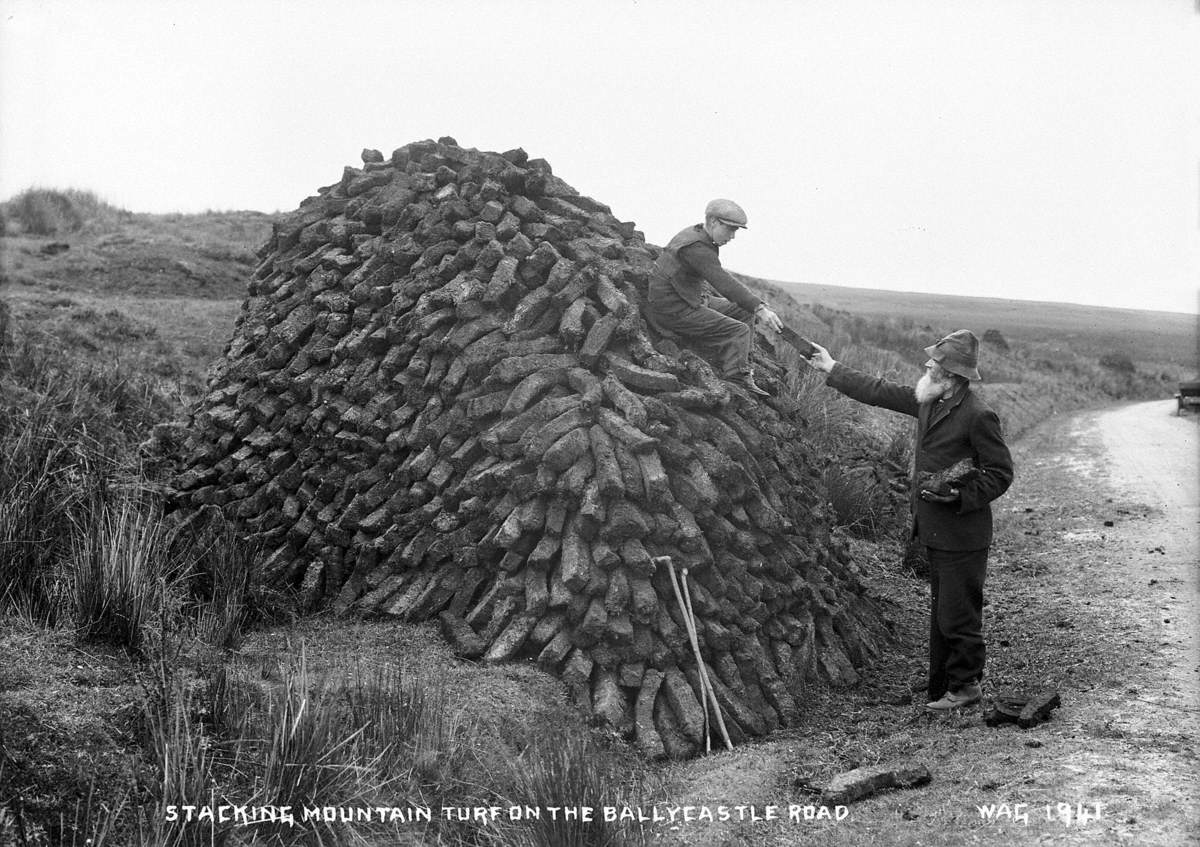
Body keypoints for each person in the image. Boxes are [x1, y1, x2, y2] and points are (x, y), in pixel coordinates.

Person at [804, 330, 1014, 711]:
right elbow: (880, 390)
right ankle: (942, 682)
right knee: (941, 611)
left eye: (935, 362)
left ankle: (966, 686)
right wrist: (831, 367)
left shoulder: (978, 415)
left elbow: (1000, 473)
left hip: (963, 532)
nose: (927, 364)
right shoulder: (930, 401)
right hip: (936, 529)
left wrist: (960, 496)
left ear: (951, 375)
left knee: (958, 612)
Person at [646, 199, 784, 395]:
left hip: (685, 298)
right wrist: (760, 308)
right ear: (713, 223)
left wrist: (754, 306)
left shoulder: (697, 234)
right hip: (673, 310)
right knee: (740, 331)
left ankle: (740, 357)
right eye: (730, 229)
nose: (733, 236)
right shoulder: (697, 248)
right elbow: (724, 283)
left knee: (742, 310)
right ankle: (737, 376)